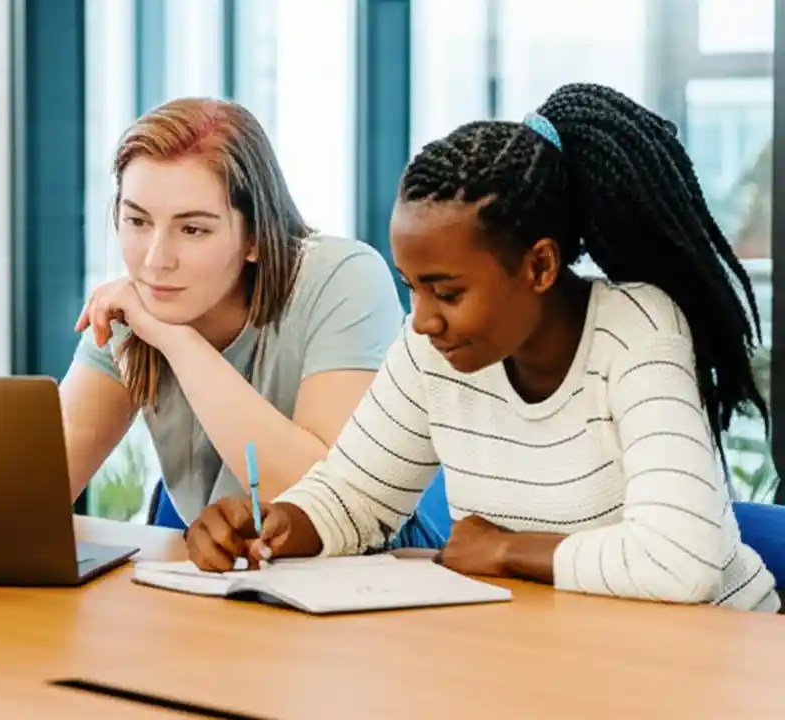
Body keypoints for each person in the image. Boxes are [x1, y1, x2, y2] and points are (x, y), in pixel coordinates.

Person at [186, 83, 779, 612]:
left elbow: (682, 563)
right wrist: (277, 524)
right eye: (411, 287)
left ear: (540, 266)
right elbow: (356, 493)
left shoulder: (637, 332)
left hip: (715, 655)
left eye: (446, 291)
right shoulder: (433, 353)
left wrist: (504, 550)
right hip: (565, 649)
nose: (421, 321)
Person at [60, 97, 403, 527]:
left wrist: (177, 341)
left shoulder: (343, 279)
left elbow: (326, 507)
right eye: (137, 221)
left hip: (364, 576)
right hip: (214, 575)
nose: (155, 261)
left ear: (256, 236)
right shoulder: (131, 313)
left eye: (193, 229)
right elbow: (30, 497)